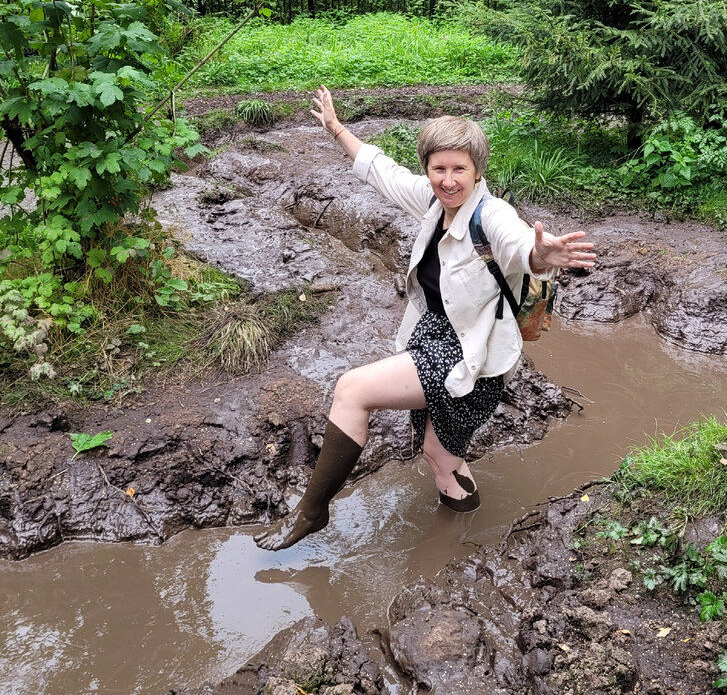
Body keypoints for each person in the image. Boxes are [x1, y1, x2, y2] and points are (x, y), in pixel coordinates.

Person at [254, 86, 597, 551]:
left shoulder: (492, 215)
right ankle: (463, 535)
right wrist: (336, 129)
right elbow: (380, 170)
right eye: (439, 168)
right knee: (439, 454)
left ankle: (312, 513)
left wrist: (541, 254)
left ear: (478, 172)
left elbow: (519, 244)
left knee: (352, 390)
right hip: (435, 337)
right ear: (429, 169)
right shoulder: (433, 202)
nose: (449, 180)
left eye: (460, 169)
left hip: (471, 354)